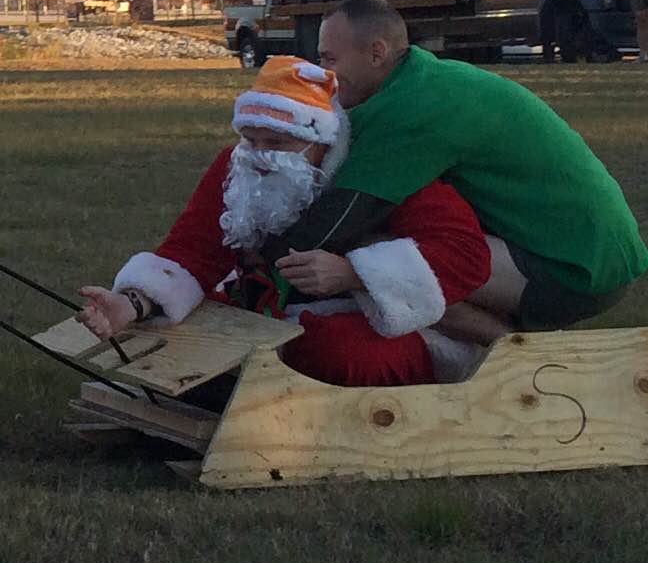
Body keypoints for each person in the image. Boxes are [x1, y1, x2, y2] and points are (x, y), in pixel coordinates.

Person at [77, 55, 491, 387]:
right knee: (181, 334)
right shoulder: (234, 165)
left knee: (330, 351)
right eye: (251, 140)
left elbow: (466, 254)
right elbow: (193, 249)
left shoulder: (376, 171)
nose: (260, 156)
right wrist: (133, 303)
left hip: (366, 320)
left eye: (278, 143)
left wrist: (353, 273)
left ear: (320, 142)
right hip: (263, 309)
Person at [285, 0, 648, 343]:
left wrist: (258, 263)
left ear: (377, 53)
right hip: (590, 251)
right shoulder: (430, 81)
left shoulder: (409, 108)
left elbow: (340, 218)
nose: (322, 74)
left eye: (329, 60)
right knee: (393, 254)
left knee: (380, 263)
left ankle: (526, 361)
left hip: (573, 269)